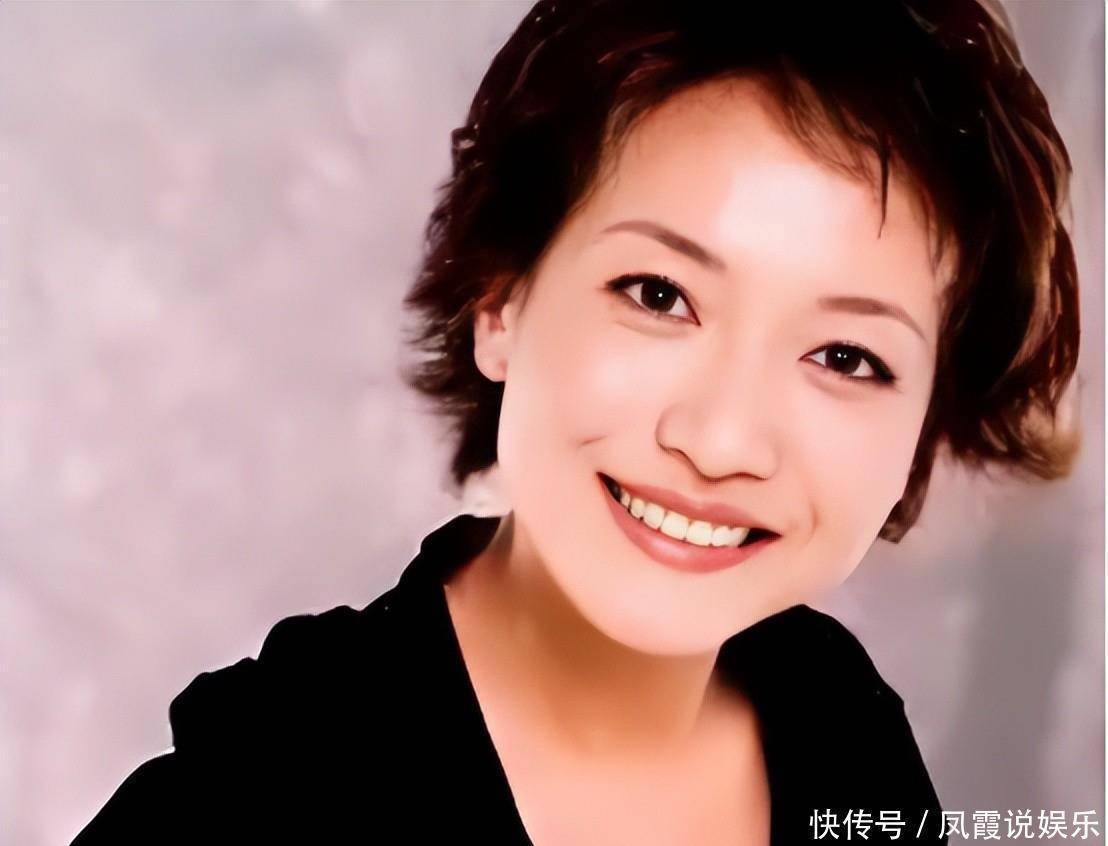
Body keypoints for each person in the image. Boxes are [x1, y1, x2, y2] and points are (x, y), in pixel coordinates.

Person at [71, 0, 1080, 843]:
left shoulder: (836, 727)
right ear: (501, 301)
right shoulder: (252, 803)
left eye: (846, 358)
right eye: (658, 294)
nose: (721, 440)